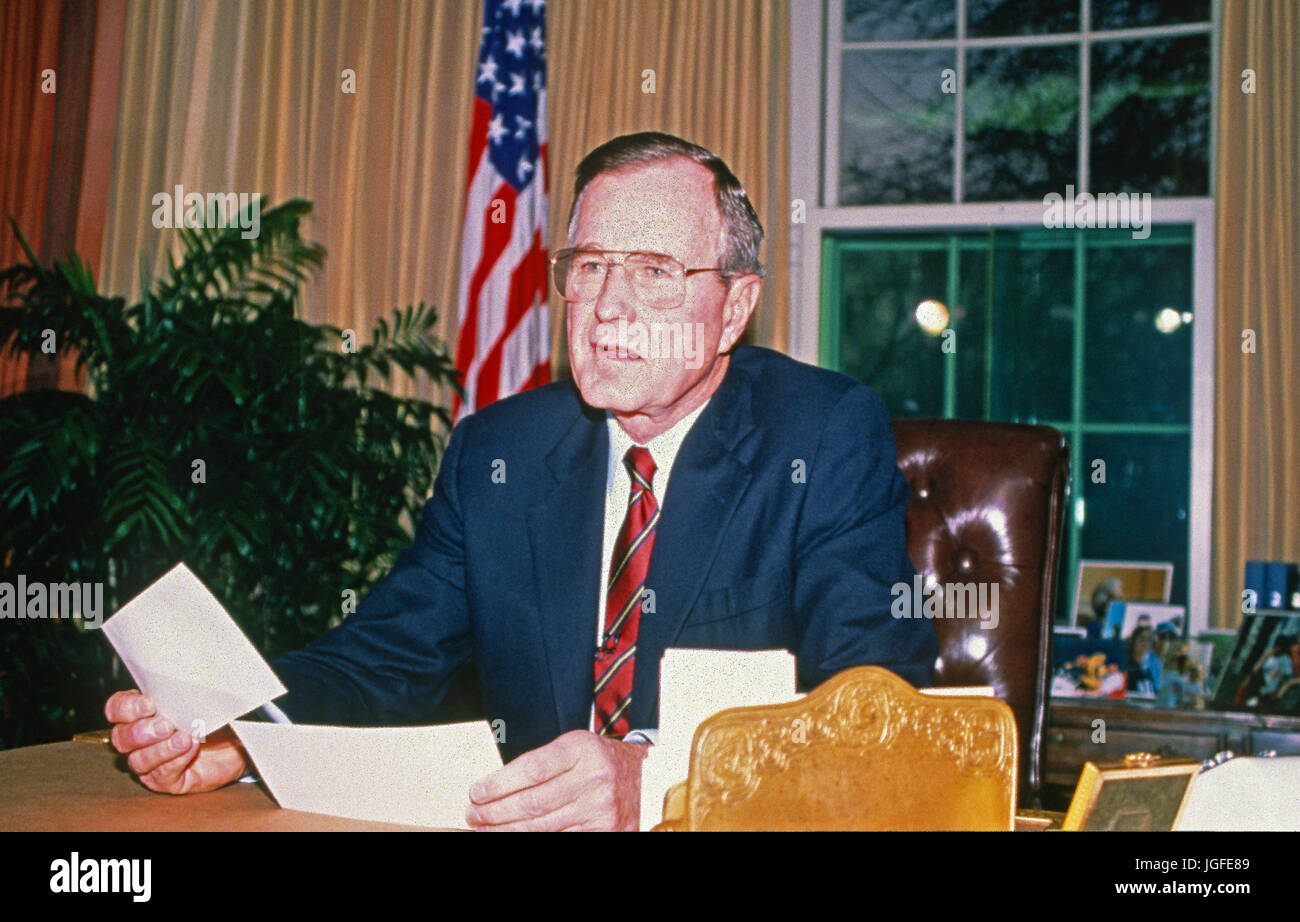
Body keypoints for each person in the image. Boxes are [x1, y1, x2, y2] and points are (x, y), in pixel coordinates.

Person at [105, 131, 939, 830]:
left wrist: (656, 783)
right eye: (588, 267)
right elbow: (383, 659)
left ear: (732, 308)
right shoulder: (498, 454)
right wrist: (242, 729)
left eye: (654, 272)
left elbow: (873, 711)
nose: (608, 306)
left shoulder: (824, 435)